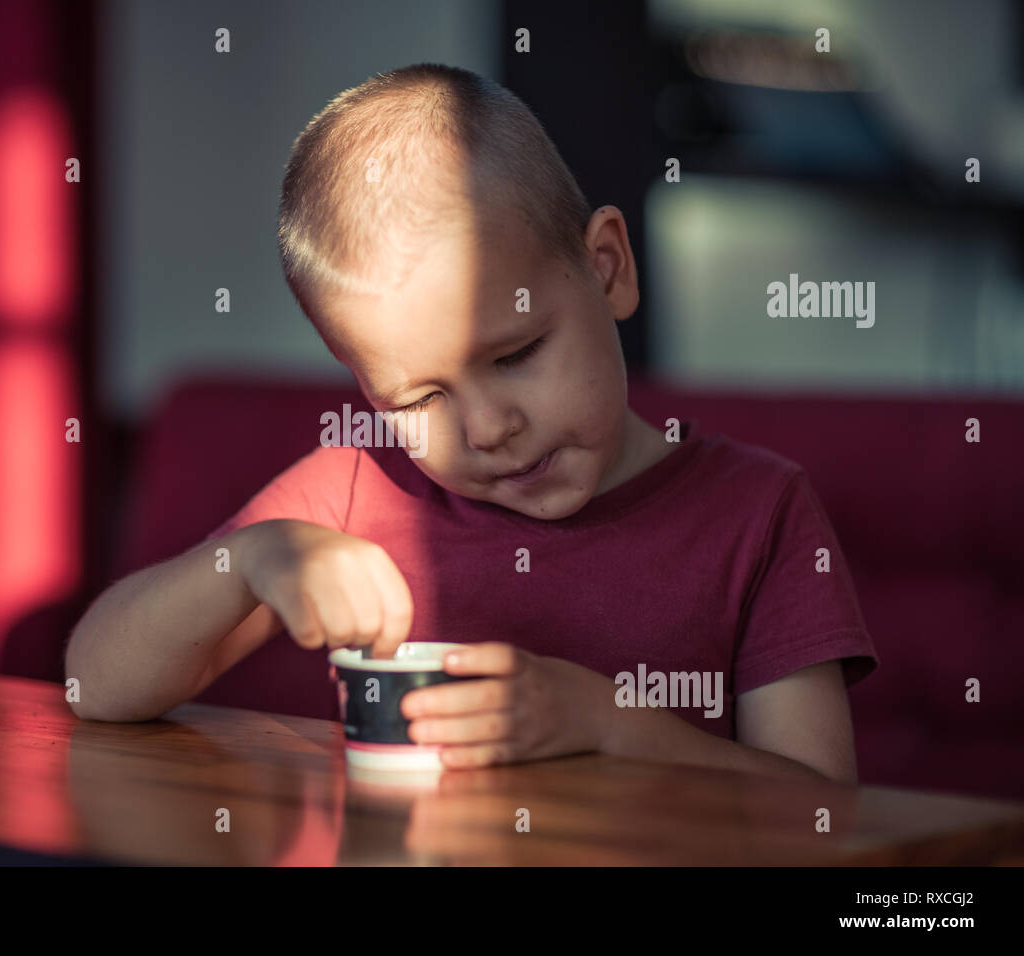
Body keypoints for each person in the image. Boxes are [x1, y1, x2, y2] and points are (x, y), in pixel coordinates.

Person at [66, 64, 877, 783]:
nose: (486, 428)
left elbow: (819, 811)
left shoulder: (762, 514)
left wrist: (608, 727)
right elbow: (93, 686)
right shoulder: (356, 490)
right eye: (418, 400)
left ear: (609, 271)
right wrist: (244, 560)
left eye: (517, 352)